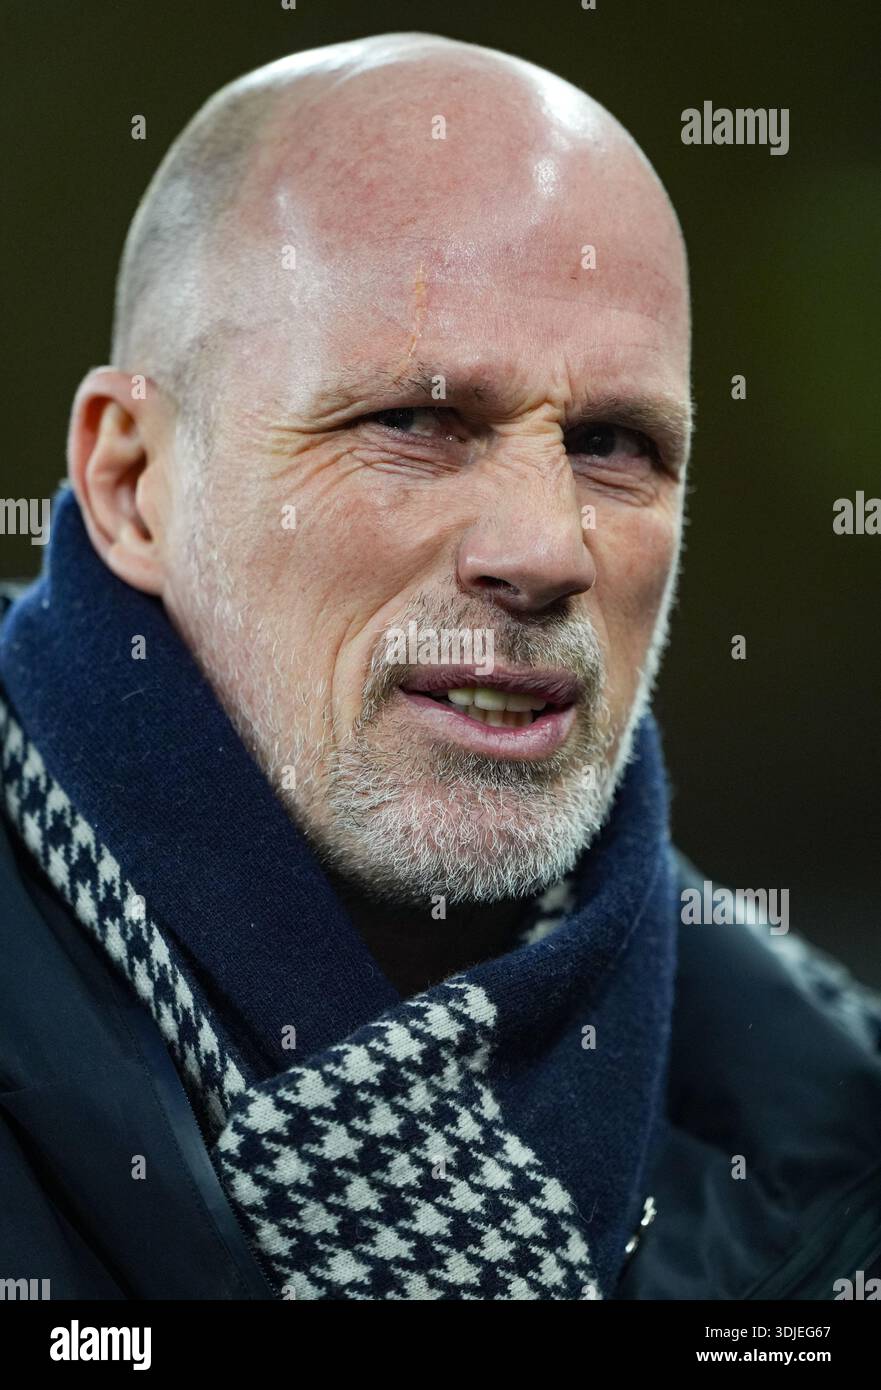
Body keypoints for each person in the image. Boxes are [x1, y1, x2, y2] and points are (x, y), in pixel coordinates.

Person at [1, 32, 879, 1301]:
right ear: (133, 484)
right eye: (413, 421)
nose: (543, 549)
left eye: (614, 443)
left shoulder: (839, 1134)